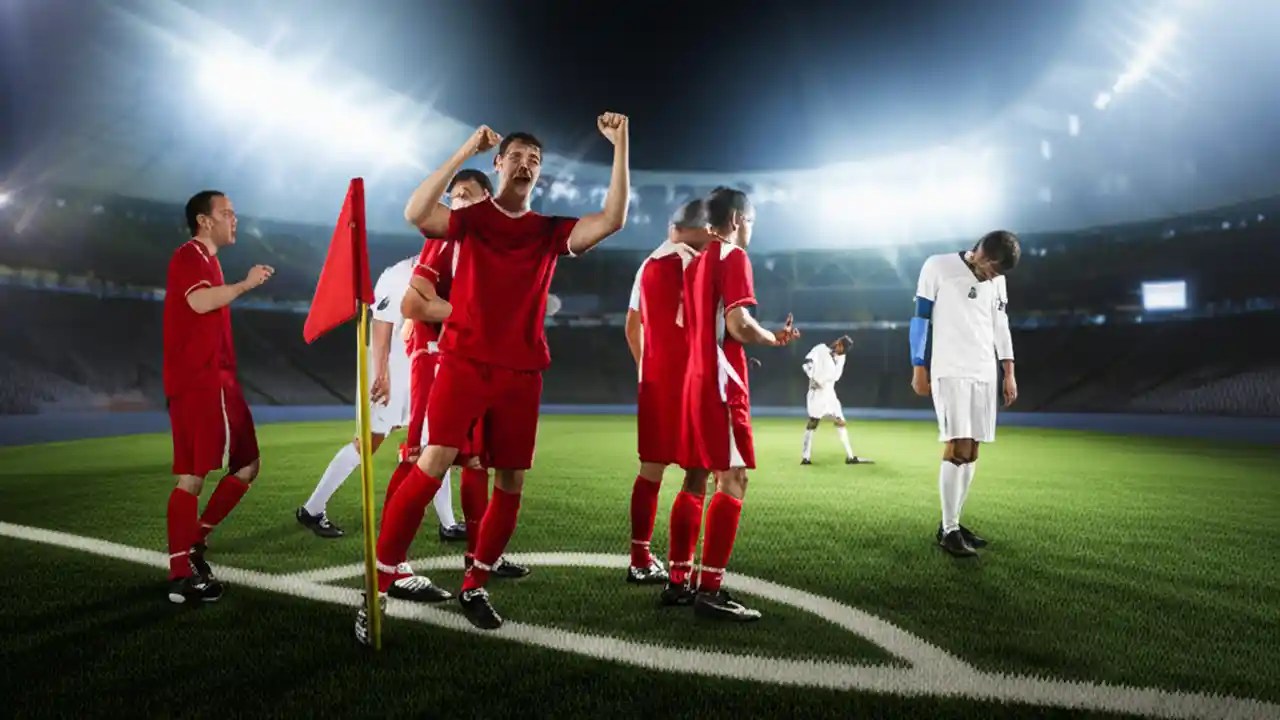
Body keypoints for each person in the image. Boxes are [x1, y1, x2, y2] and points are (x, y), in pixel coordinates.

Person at [358, 112, 630, 642]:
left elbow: (613, 218)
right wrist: (464, 152)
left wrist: (620, 145)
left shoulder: (549, 232)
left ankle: (475, 582)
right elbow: (417, 211)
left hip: (523, 371)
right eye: (518, 157)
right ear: (499, 163)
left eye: (536, 160)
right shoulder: (473, 219)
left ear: (539, 174)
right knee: (433, 462)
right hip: (462, 363)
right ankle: (380, 586)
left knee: (510, 482)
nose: (526, 165)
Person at [668, 187, 799, 622]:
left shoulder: (697, 262)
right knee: (734, 478)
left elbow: (697, 325)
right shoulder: (733, 257)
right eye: (753, 223)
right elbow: (739, 324)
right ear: (740, 220)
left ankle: (677, 581)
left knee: (695, 475)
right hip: (721, 385)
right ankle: (710, 591)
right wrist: (773, 338)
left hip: (695, 379)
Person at [295, 254, 465, 543]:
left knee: (433, 441)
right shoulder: (398, 274)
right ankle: (312, 509)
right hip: (389, 366)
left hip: (421, 365)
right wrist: (382, 374)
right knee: (369, 441)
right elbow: (381, 326)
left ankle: (448, 523)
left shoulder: (451, 275)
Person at [163, 190, 273, 604]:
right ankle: (179, 576)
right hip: (200, 382)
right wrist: (244, 284)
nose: (235, 219)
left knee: (247, 465)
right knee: (192, 476)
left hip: (220, 381)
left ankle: (194, 544)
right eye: (227, 213)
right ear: (204, 221)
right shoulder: (188, 255)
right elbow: (198, 301)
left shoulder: (210, 260)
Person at [910, 230, 1020, 558]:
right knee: (957, 445)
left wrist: (1008, 371)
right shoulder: (938, 266)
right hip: (951, 369)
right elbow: (920, 318)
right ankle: (949, 529)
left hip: (984, 371)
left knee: (972, 450)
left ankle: (953, 522)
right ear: (982, 254)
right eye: (993, 269)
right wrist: (919, 365)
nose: (993, 277)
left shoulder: (997, 282)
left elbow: (1001, 325)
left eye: (999, 274)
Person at [622, 199, 711, 585]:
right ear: (700, 229)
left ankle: (640, 557)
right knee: (699, 471)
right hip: (696, 381)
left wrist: (651, 369)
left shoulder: (647, 264)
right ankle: (682, 572)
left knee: (651, 471)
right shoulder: (704, 264)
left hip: (655, 382)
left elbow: (631, 327)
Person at [800, 335, 871, 465]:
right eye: (840, 346)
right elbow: (807, 363)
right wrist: (812, 376)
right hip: (816, 392)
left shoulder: (841, 358)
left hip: (829, 392)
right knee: (813, 422)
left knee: (840, 421)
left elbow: (836, 376)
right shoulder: (820, 349)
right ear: (838, 343)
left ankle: (850, 456)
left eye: (843, 350)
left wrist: (826, 377)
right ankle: (806, 457)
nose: (840, 350)